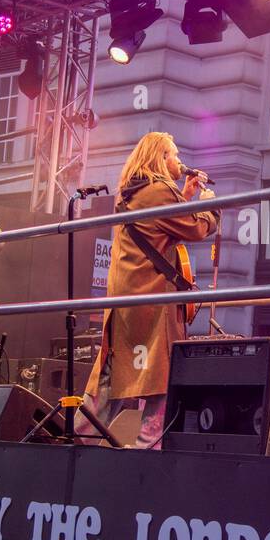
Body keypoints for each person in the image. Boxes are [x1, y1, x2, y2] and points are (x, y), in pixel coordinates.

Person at [76, 131, 218, 449]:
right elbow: (193, 227)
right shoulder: (158, 190)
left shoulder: (133, 190)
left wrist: (184, 194)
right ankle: (147, 446)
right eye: (174, 155)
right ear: (161, 158)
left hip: (127, 297)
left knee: (115, 371)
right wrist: (211, 207)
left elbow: (161, 227)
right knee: (160, 370)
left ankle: (78, 439)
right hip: (151, 298)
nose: (180, 161)